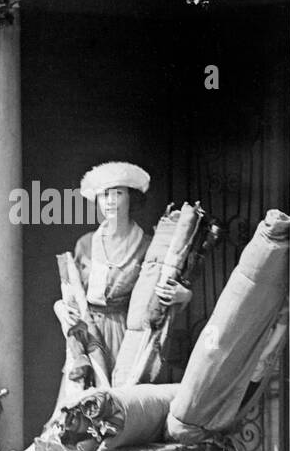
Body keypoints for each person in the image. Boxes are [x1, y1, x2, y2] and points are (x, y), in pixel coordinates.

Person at [54, 161, 191, 383]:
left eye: (117, 194)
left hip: (126, 338)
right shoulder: (85, 244)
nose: (109, 201)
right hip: (86, 336)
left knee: (117, 405)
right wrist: (61, 309)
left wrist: (184, 295)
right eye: (103, 195)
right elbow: (71, 294)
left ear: (132, 198)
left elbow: (161, 292)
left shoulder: (148, 246)